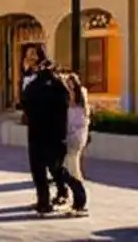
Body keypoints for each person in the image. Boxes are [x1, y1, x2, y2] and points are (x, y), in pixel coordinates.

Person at [20, 54, 69, 215]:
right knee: (56, 168)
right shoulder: (59, 87)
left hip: (36, 133)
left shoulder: (32, 86)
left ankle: (44, 201)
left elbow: (24, 105)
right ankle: (62, 193)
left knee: (39, 171)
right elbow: (65, 107)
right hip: (55, 134)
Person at [62, 72, 91, 217]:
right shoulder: (69, 100)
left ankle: (80, 202)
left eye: (71, 85)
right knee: (72, 168)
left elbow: (81, 122)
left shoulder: (80, 102)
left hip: (75, 139)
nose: (69, 88)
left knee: (72, 169)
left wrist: (72, 134)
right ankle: (77, 201)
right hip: (71, 138)